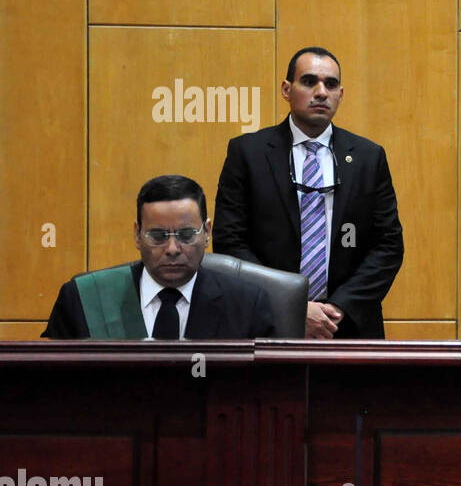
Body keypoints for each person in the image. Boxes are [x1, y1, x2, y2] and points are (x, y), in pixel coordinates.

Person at [213, 47, 403, 339]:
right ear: (286, 89)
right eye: (309, 81)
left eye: (330, 84)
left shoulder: (368, 157)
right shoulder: (247, 153)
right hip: (266, 324)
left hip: (348, 327)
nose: (321, 92)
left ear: (341, 94)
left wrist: (337, 309)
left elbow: (388, 247)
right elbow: (230, 243)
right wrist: (292, 306)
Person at [43, 175, 275, 339]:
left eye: (186, 235)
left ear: (207, 233)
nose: (172, 248)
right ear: (137, 235)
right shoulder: (83, 300)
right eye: (158, 235)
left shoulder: (247, 305)